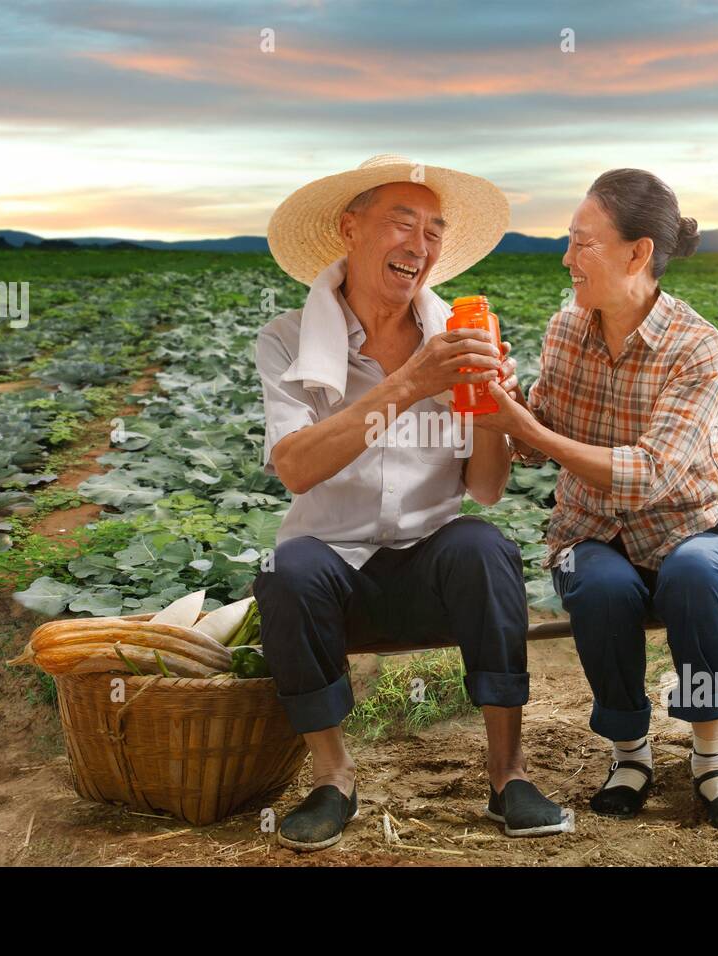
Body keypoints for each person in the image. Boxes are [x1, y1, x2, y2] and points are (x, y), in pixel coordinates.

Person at [254, 154, 573, 851]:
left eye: (434, 231)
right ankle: (334, 778)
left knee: (486, 545)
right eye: (403, 224)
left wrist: (495, 410)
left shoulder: (457, 336)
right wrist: (409, 380)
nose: (420, 246)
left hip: (432, 567)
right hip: (332, 574)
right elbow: (296, 469)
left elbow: (485, 490)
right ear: (350, 228)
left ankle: (508, 775)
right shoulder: (285, 340)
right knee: (286, 569)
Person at [470, 168, 718, 832]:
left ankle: (711, 760)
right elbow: (539, 440)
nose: (567, 258)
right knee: (598, 586)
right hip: (588, 532)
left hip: (690, 527)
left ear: (637, 254)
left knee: (697, 574)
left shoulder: (698, 348)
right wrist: (504, 399)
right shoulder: (565, 329)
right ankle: (630, 754)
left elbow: (653, 473)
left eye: (582, 242)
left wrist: (529, 427)